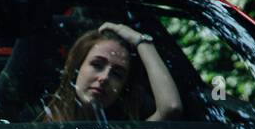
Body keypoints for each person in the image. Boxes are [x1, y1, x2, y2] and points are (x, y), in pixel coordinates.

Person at [40, 23, 182, 122]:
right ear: (77, 67)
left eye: (117, 74)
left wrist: (141, 41)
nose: (105, 77)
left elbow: (170, 107)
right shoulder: (34, 125)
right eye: (97, 64)